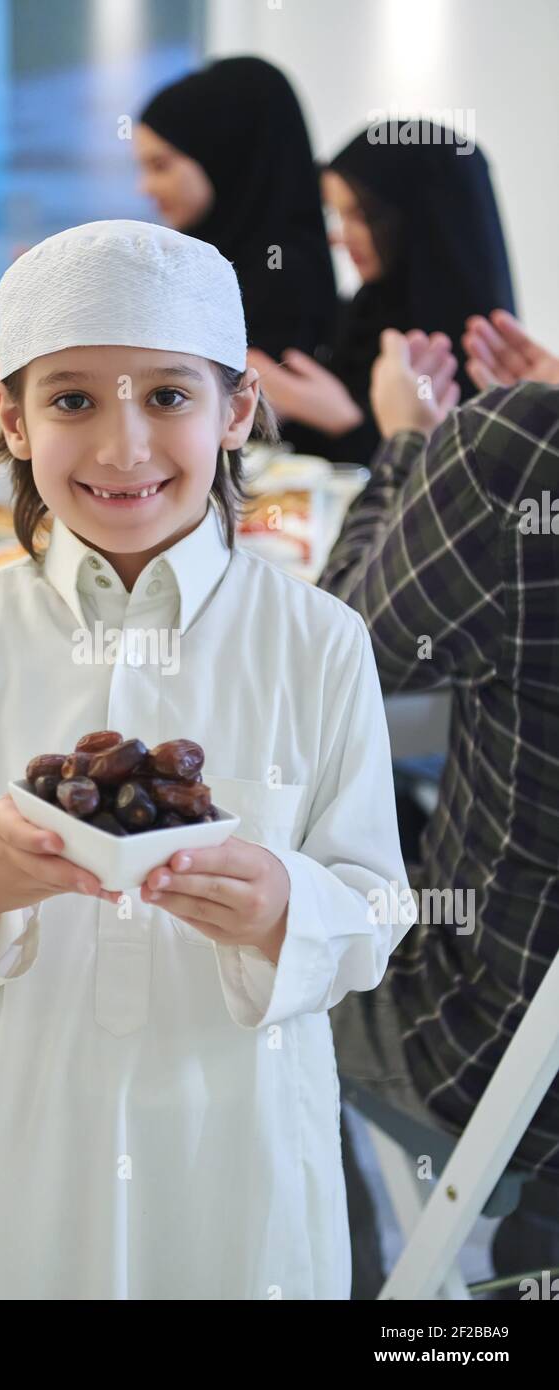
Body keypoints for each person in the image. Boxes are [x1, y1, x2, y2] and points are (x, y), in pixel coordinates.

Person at [0, 218, 417, 1300]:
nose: (122, 447)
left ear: (235, 412)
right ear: (13, 420)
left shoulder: (314, 641)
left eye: (167, 395)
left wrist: (281, 905)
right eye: (72, 398)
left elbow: (371, 910)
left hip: (238, 1129)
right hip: (22, 1126)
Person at [318, 326, 559, 1297]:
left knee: (253, 946)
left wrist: (409, 441)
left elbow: (330, 662)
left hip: (496, 1048)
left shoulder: (521, 448)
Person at [252, 121, 516, 465]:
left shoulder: (478, 347)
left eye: (361, 216)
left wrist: (344, 421)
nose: (339, 237)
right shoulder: (365, 308)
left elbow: (448, 486)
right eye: (338, 215)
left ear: (420, 220)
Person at [136, 57, 337, 366]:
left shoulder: (281, 273)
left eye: (160, 165)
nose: (145, 187)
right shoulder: (200, 260)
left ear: (223, 158)